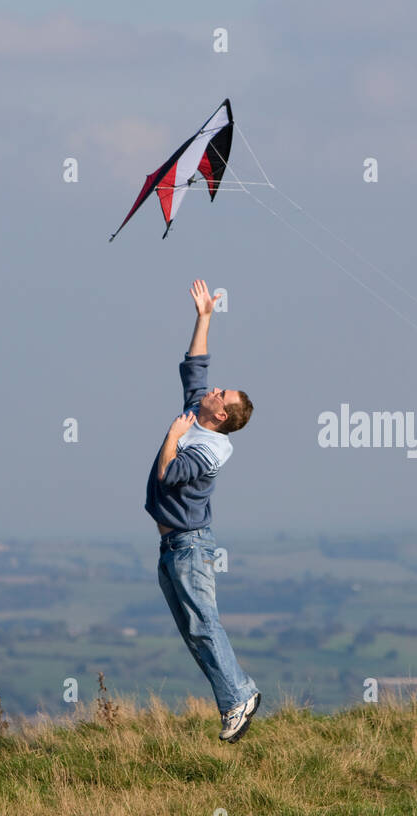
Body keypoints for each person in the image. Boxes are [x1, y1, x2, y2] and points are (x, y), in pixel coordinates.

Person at [145, 279, 260, 742]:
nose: (212, 391)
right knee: (193, 631)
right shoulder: (200, 409)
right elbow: (196, 367)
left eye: (219, 396)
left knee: (204, 624)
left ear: (221, 417)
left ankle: (240, 698)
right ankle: (234, 700)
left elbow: (169, 475)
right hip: (171, 544)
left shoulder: (211, 449)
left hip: (190, 546)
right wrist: (204, 317)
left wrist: (173, 434)